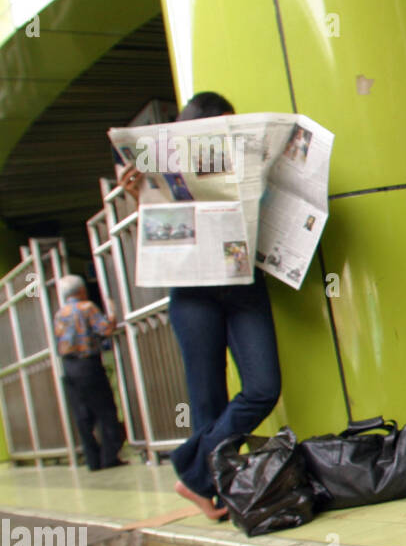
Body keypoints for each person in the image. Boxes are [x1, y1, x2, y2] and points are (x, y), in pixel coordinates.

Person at [118, 91, 282, 520]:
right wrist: (140, 195)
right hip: (191, 288)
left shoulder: (246, 160)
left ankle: (191, 476)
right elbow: (160, 233)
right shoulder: (169, 165)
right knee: (206, 398)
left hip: (243, 282)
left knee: (263, 387)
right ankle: (218, 487)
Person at [53, 275, 125, 471]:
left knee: (82, 415)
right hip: (88, 364)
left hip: (68, 367)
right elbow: (105, 329)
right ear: (82, 290)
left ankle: (92, 460)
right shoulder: (87, 307)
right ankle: (109, 457)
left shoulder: (60, 313)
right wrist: (112, 314)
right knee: (105, 410)